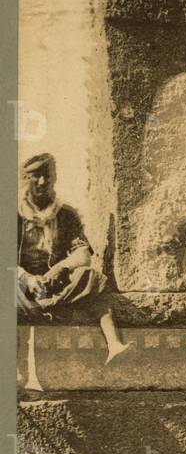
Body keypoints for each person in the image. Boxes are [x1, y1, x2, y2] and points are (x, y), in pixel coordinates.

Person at [17, 153, 131, 363]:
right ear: (25, 179)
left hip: (55, 283)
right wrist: (28, 278)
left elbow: (83, 253)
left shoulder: (65, 214)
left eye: (48, 176)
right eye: (36, 176)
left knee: (89, 276)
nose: (43, 182)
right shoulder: (14, 214)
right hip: (24, 286)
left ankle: (114, 344)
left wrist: (62, 266)